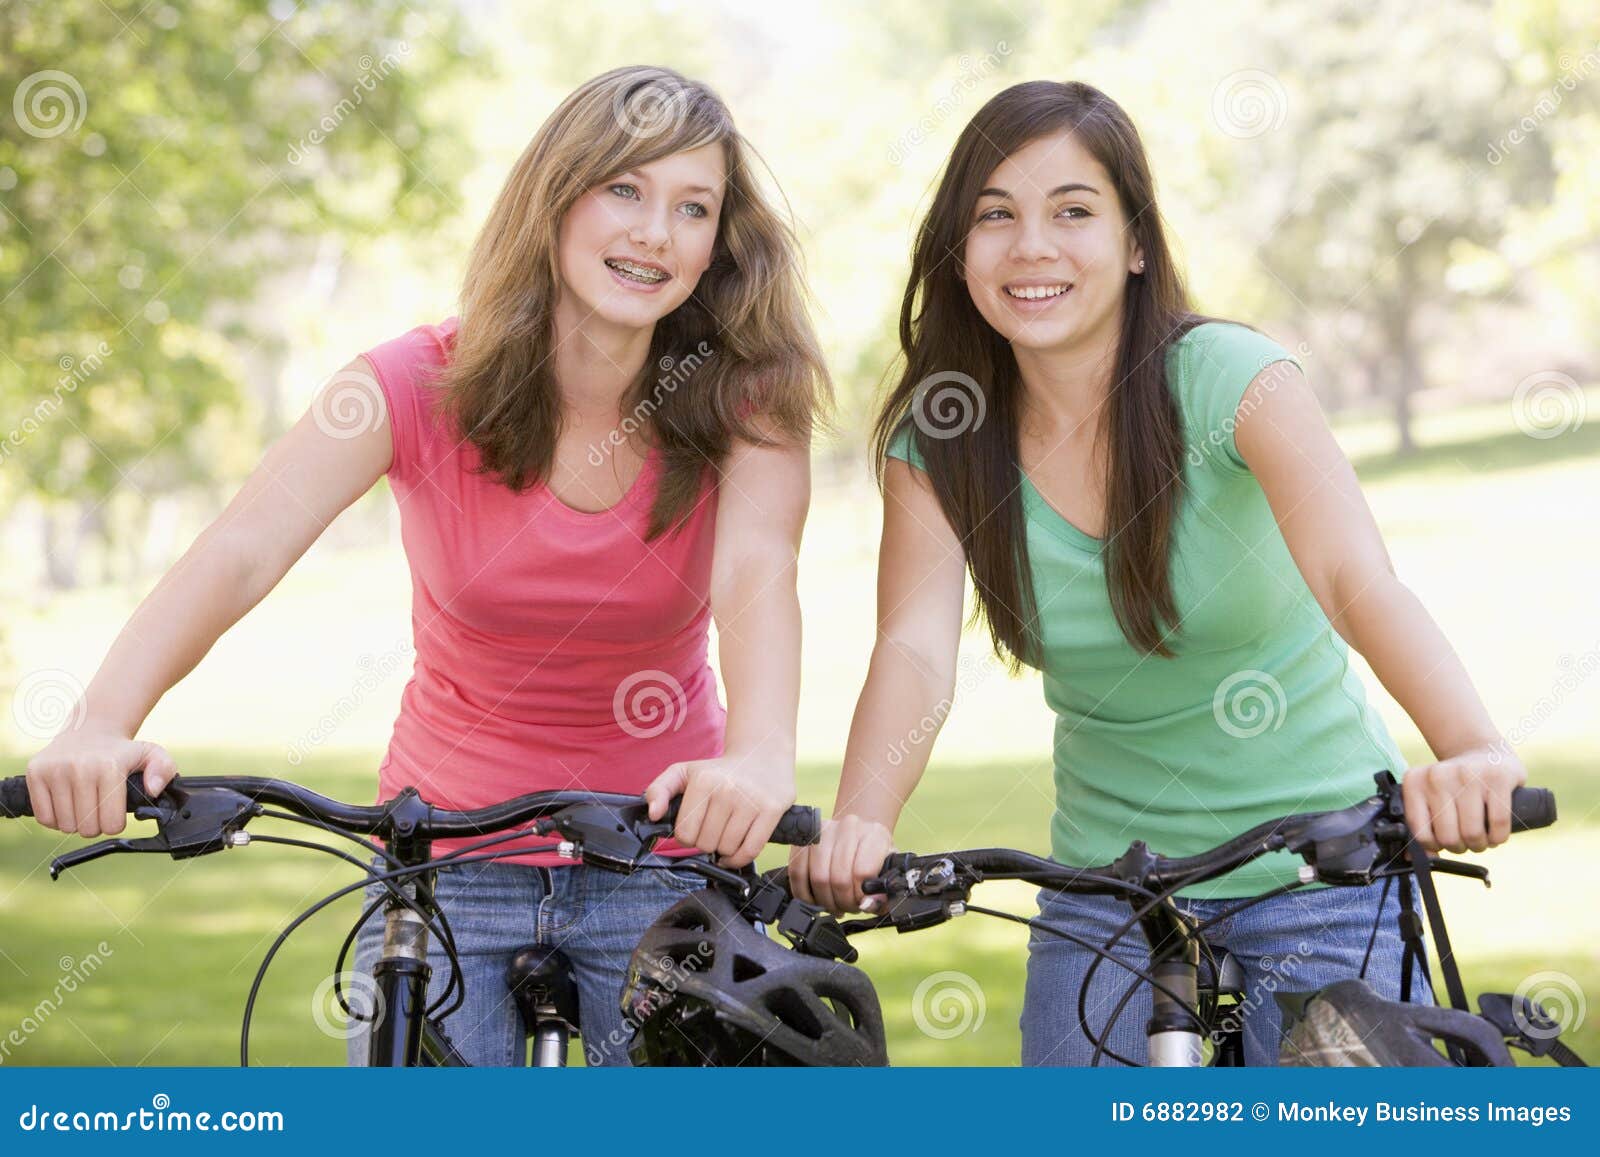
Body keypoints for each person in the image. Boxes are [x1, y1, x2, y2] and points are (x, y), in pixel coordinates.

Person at [24, 65, 829, 1067]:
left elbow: (760, 572)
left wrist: (756, 756)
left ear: (716, 244)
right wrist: (102, 719)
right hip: (447, 861)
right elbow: (239, 551)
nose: (655, 231)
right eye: (623, 188)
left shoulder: (743, 402)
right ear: (555, 197)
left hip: (654, 854)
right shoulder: (410, 383)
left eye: (692, 206)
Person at [789, 80, 1525, 1066]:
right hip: (1108, 888)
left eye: (1073, 211)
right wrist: (864, 820)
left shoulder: (1231, 379)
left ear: (1135, 244)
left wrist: (1470, 747)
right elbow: (916, 650)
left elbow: (1356, 577)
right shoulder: (943, 436)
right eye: (994, 215)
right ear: (957, 251)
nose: (1032, 245)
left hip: (1318, 864)